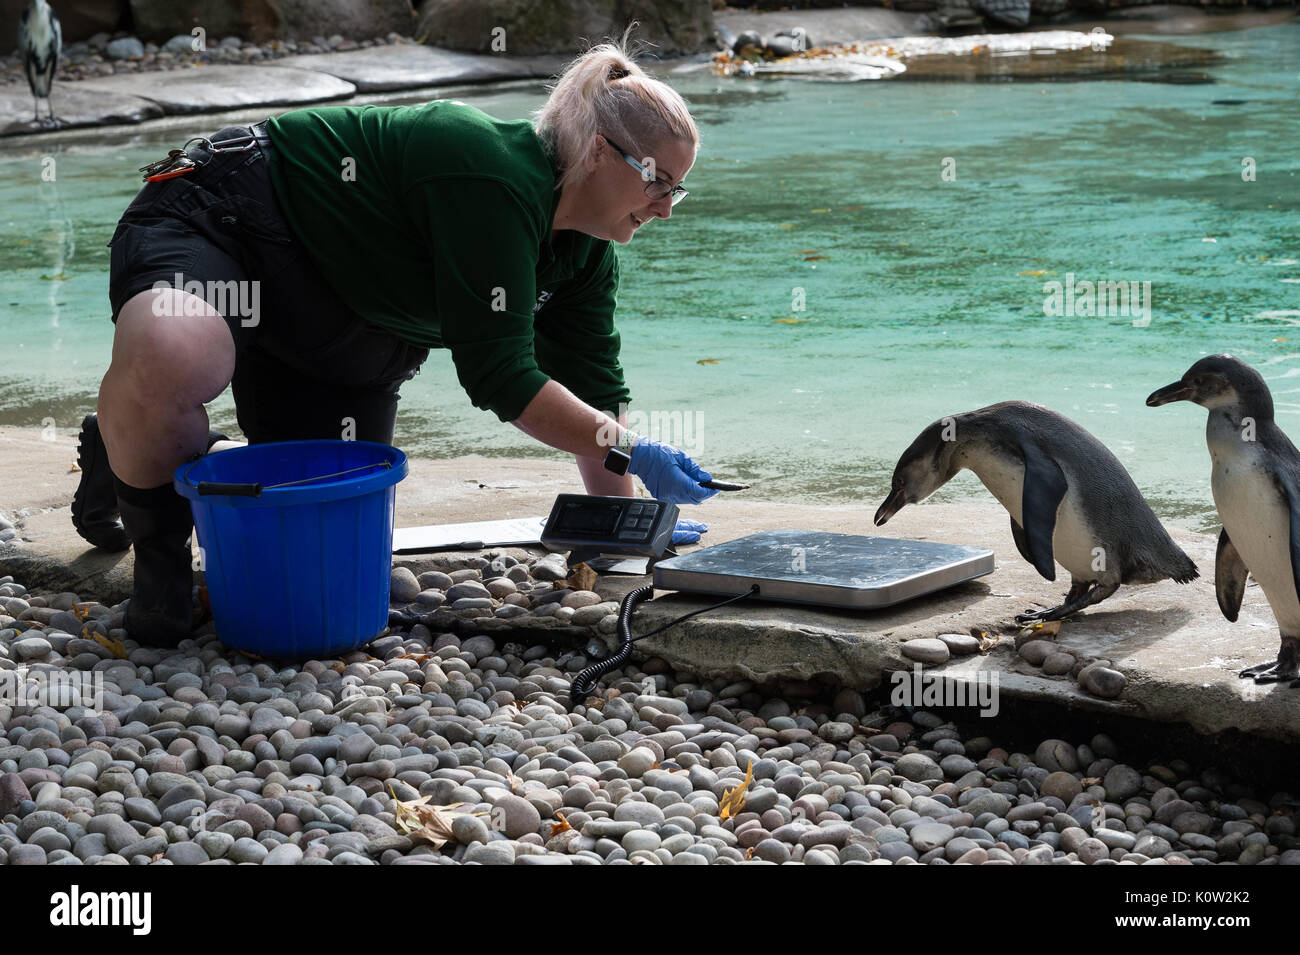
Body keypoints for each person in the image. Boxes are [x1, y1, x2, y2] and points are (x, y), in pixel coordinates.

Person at [71, 28, 719, 648]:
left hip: (340, 331)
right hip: (227, 218)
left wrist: (622, 528)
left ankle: (128, 438)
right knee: (174, 354)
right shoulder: (492, 174)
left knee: (314, 540)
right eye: (657, 180)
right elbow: (501, 378)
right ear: (602, 150)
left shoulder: (586, 252)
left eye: (678, 190)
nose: (666, 205)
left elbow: (592, 388)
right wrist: (635, 451)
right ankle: (159, 557)